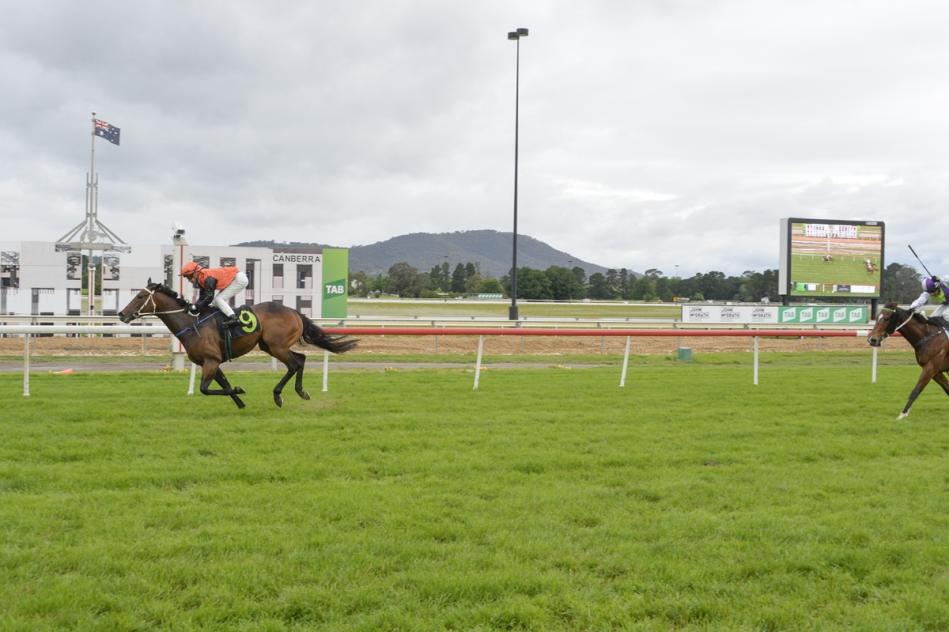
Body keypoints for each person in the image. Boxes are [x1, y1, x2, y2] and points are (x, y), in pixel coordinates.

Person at [180, 261, 249, 326]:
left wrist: (194, 307)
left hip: (239, 279)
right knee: (213, 304)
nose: (189, 280)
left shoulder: (208, 278)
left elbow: (209, 297)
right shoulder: (201, 279)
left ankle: (234, 318)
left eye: (189, 277)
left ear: (196, 273)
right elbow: (202, 297)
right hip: (234, 279)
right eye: (187, 278)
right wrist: (196, 308)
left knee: (218, 299)